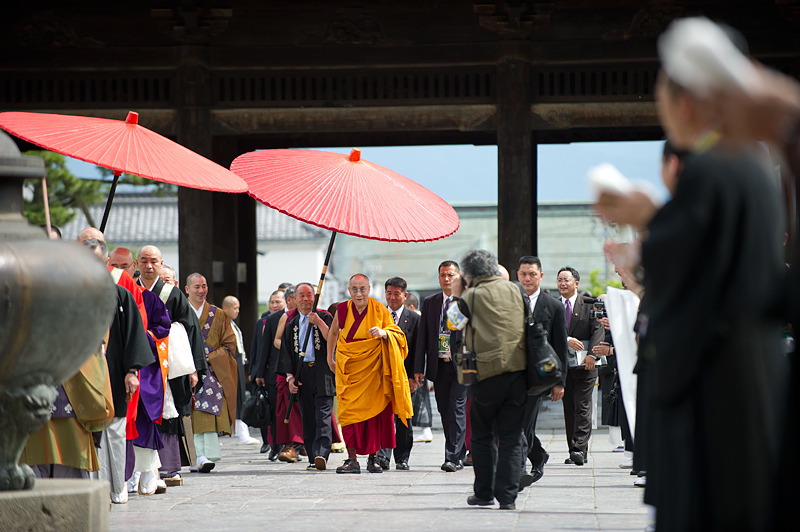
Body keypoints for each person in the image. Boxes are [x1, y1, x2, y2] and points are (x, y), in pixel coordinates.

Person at [594, 20, 788, 530]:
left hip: (714, 385)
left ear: (686, 102)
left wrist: (649, 220)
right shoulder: (752, 166)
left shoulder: (711, 168)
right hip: (746, 377)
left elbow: (688, 265)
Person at [450, 249, 527, 511]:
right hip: (518, 374)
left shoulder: (470, 296)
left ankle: (483, 493)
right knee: (512, 437)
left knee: (483, 436)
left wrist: (456, 294)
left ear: (468, 274)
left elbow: (453, 324)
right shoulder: (516, 290)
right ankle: (508, 497)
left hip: (485, 375)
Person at [83, 238, 154, 504]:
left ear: (105, 263)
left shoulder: (121, 295)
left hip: (113, 372)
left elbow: (133, 335)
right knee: (89, 430)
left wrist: (132, 370)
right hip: (82, 375)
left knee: (114, 430)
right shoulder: (73, 296)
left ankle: (117, 487)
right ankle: (95, 488)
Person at [327, 273, 413, 474]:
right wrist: (330, 359)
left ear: (369, 289)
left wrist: (384, 334)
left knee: (375, 416)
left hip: (373, 372)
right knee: (348, 415)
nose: (359, 294)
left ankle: (373, 459)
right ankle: (351, 459)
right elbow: (333, 332)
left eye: (362, 289)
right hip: (349, 370)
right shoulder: (342, 309)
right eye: (354, 289)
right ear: (349, 291)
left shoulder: (380, 310)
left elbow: (397, 336)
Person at [136, 245, 205, 482]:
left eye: (153, 261)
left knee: (168, 413)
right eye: (144, 261)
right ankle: (138, 469)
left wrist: (192, 368)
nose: (149, 266)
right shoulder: (129, 291)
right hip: (136, 361)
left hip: (167, 363)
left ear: (161, 263)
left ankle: (169, 467)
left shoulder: (171, 294)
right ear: (137, 265)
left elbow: (190, 329)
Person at [515, 256, 568, 487]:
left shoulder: (553, 306)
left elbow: (560, 347)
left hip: (538, 377)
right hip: (512, 372)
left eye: (532, 274)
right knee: (517, 424)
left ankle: (521, 470)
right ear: (517, 275)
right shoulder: (509, 302)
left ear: (541, 276)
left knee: (523, 424)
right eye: (523, 274)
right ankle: (537, 455)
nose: (527, 278)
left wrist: (559, 382)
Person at [414, 261, 467, 472]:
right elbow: (423, 338)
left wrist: (456, 302)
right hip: (439, 365)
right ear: (438, 278)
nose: (447, 278)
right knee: (445, 411)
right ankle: (458, 452)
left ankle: (452, 457)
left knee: (457, 409)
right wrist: (419, 368)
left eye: (451, 275)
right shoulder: (430, 302)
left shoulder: (466, 301)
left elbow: (468, 330)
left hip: (462, 366)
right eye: (443, 275)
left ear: (458, 277)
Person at [278, 283, 334, 470]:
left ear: (315, 297)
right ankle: (312, 456)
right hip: (303, 374)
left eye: (309, 295)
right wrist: (290, 378)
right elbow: (286, 354)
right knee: (308, 418)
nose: (305, 299)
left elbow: (334, 340)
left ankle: (322, 454)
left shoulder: (325, 317)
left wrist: (318, 322)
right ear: (295, 298)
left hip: (323, 372)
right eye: (301, 295)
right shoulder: (292, 325)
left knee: (323, 416)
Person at [186, 273, 238, 473]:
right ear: (187, 289)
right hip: (185, 370)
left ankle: (202, 455)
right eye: (197, 286)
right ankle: (195, 455)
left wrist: (212, 357)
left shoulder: (219, 314)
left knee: (205, 410)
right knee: (188, 412)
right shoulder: (180, 312)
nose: (201, 290)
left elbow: (230, 344)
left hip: (211, 372)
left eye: (204, 286)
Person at [556, 266, 603, 466]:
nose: (562, 283)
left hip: (585, 363)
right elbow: (548, 331)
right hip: (563, 364)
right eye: (559, 280)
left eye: (566, 279)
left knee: (582, 406)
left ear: (576, 283)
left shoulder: (589, 305)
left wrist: (593, 354)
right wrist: (566, 339)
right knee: (569, 407)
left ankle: (579, 448)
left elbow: (598, 330)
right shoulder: (553, 305)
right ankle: (573, 449)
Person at [376, 277, 420, 470]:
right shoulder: (378, 316)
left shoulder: (415, 318)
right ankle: (382, 456)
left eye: (396, 294)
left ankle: (402, 458)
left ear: (405, 295)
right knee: (383, 418)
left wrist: (414, 377)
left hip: (404, 377)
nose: (392, 297)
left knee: (403, 419)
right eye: (389, 293)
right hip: (382, 377)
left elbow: (418, 350)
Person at [249, 290, 285, 453]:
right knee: (269, 409)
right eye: (272, 302)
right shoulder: (264, 321)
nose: (274, 305)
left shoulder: (291, 319)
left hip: (286, 371)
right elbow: (258, 350)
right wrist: (257, 372)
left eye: (278, 301)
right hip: (270, 372)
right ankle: (271, 443)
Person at [222, 295, 261, 445]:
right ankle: (239, 432)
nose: (237, 311)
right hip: (229, 362)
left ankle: (241, 431)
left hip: (238, 361)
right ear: (226, 308)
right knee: (233, 398)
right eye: (235, 308)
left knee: (239, 397)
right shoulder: (221, 324)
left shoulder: (232, 324)